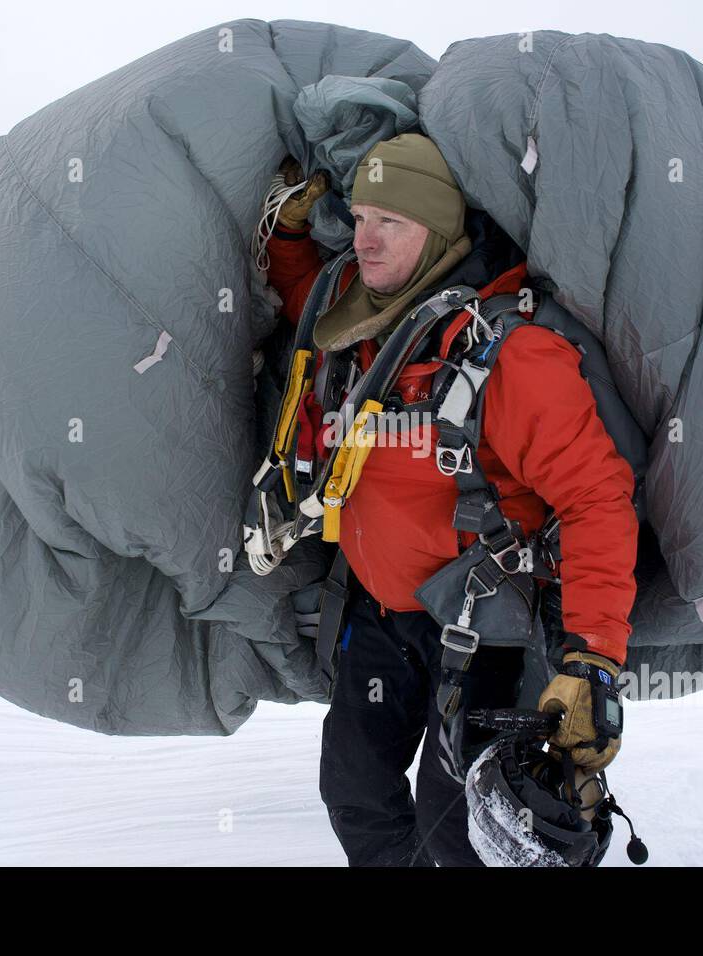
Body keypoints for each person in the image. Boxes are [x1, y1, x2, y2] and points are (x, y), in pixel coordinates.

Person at [262, 133, 639, 866]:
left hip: (484, 634)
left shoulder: (513, 357)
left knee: (462, 830)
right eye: (360, 216)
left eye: (389, 223)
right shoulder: (363, 324)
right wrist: (290, 233)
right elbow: (308, 299)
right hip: (378, 617)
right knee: (356, 792)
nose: (365, 239)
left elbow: (598, 500)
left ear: (436, 232)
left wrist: (594, 659)